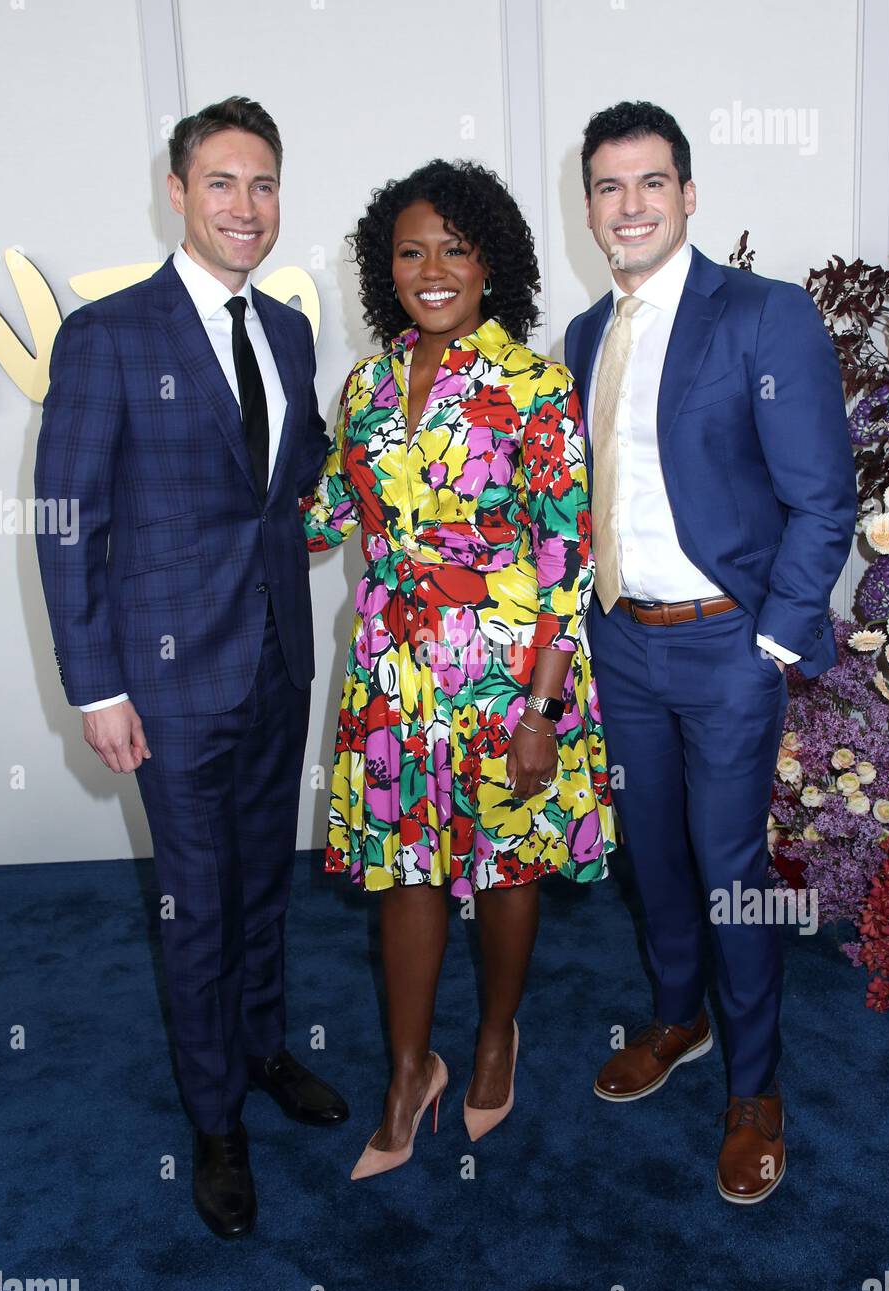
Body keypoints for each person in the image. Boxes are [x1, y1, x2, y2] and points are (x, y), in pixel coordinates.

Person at [34, 96, 348, 1240]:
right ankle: (216, 1121)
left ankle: (262, 1049)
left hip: (275, 657)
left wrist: (330, 492)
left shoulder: (291, 330)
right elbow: (65, 519)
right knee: (196, 906)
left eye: (263, 184)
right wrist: (95, 685)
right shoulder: (111, 334)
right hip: (163, 683)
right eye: (222, 183)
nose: (245, 207)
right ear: (178, 191)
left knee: (265, 884)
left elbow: (297, 459)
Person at [564, 102, 856, 1203]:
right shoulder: (587, 336)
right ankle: (677, 1019)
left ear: (688, 195)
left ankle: (754, 1088)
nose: (628, 205)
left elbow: (824, 499)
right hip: (622, 644)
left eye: (649, 183)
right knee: (653, 854)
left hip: (729, 645)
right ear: (587, 204)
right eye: (607, 186)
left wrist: (773, 639)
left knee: (730, 868)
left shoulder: (764, 316)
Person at [303, 159, 615, 1179]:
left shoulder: (533, 386)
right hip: (394, 674)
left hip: (504, 674)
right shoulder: (366, 386)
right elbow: (323, 516)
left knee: (508, 863)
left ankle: (493, 1037)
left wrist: (541, 707)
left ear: (493, 264)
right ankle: (408, 1068)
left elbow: (568, 559)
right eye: (409, 249)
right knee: (407, 869)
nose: (431, 268)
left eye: (454, 248)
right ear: (381, 265)